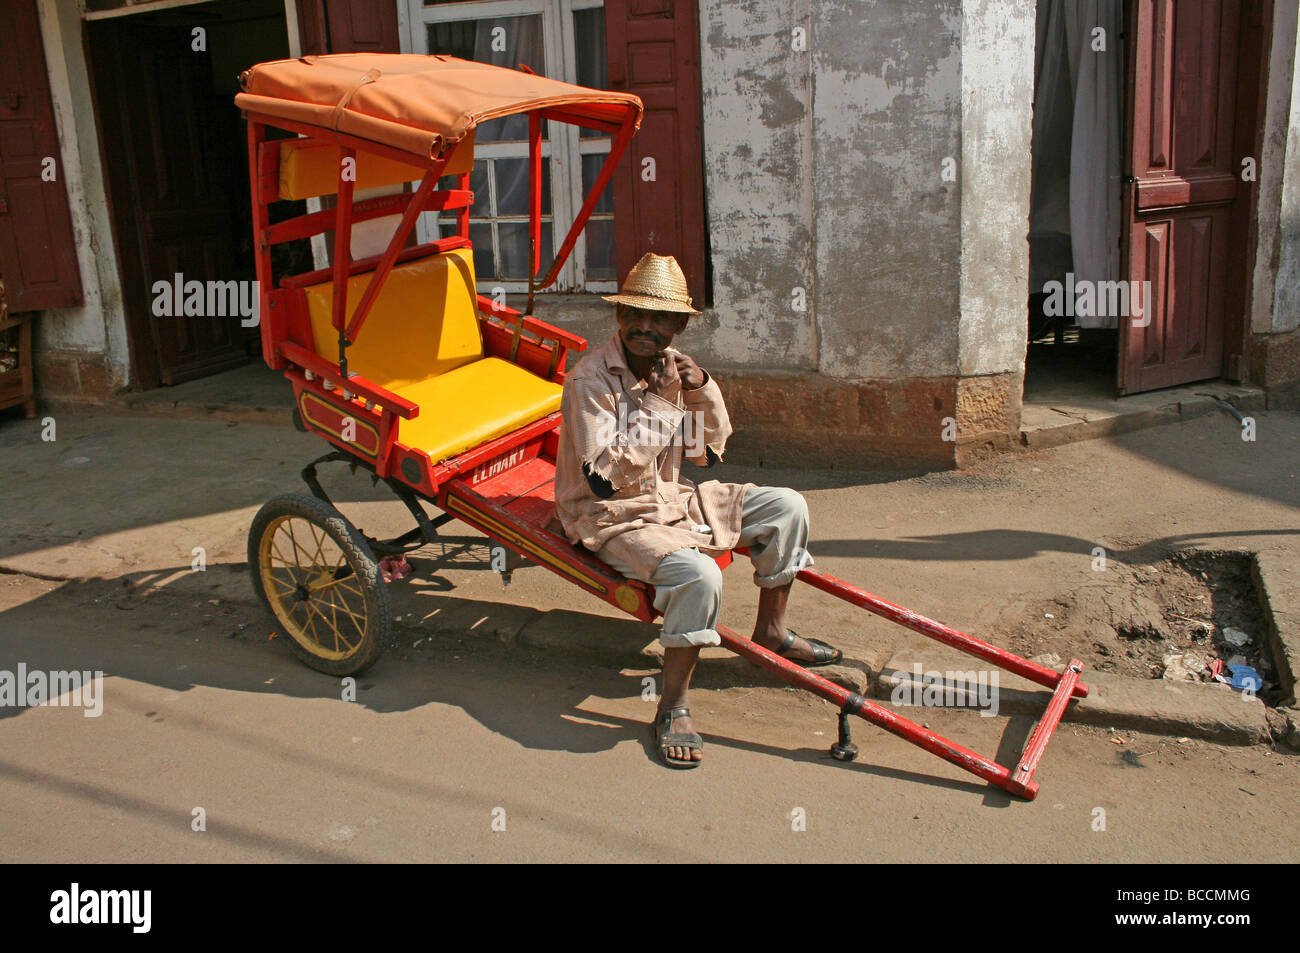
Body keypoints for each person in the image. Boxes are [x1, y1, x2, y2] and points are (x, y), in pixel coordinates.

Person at [554, 252, 843, 769]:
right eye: (634, 315)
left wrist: (701, 387)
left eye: (660, 318)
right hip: (611, 516)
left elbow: (705, 453)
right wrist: (663, 406)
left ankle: (772, 632)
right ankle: (672, 706)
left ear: (679, 325)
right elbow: (603, 477)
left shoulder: (670, 369)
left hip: (671, 498)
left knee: (787, 507)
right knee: (699, 577)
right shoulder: (589, 381)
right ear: (618, 318)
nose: (645, 327)